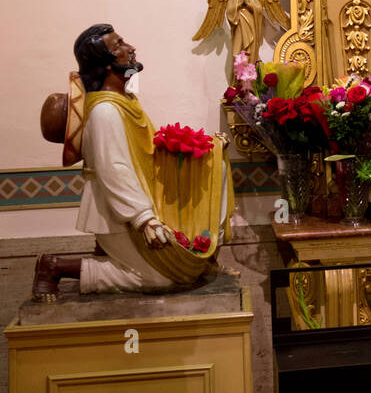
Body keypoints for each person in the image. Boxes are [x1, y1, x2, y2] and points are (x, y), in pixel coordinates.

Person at [33, 25, 232, 298]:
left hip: (141, 198)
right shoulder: (105, 112)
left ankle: (206, 261)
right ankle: (56, 267)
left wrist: (206, 149)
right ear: (104, 66)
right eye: (119, 46)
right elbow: (114, 170)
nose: (130, 48)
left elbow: (145, 152)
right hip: (119, 212)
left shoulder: (126, 101)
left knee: (215, 166)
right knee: (161, 278)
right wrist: (145, 219)